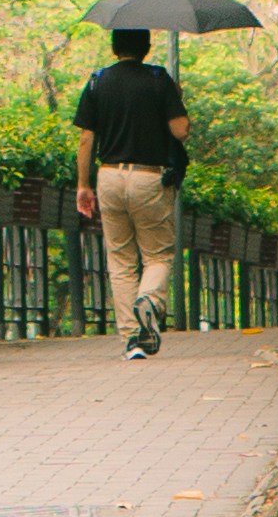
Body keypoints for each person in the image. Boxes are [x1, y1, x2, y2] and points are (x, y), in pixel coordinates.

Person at [72, 25, 188, 359]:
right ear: (147, 47)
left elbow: (85, 140)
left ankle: (132, 339)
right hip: (148, 178)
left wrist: (84, 185)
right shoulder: (158, 79)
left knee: (120, 260)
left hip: (108, 176)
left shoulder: (97, 81)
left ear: (114, 47)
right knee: (158, 255)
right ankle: (149, 300)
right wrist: (177, 99)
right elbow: (179, 130)